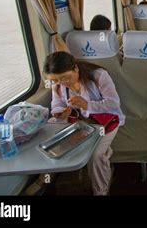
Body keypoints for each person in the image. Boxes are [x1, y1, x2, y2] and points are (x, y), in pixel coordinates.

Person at [44, 51, 125, 195]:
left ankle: (101, 191)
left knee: (95, 155)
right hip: (78, 122)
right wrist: (59, 112)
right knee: (50, 137)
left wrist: (87, 105)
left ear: (75, 68)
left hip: (105, 121)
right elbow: (56, 103)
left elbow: (113, 103)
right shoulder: (57, 85)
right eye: (56, 80)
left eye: (65, 78)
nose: (62, 83)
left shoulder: (98, 76)